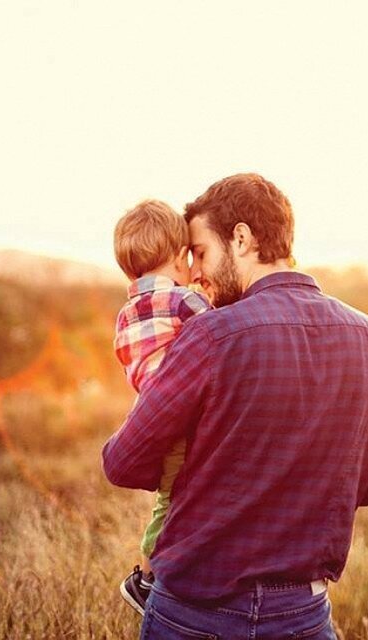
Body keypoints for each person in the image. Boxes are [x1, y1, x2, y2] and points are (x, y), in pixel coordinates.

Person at [103, 173, 368, 639]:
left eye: (201, 252)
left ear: (242, 238)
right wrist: (304, 483)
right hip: (303, 617)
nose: (197, 273)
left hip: (195, 614)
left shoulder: (210, 334)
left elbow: (122, 463)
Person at [111, 199, 211, 614]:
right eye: (191, 256)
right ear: (176, 258)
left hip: (152, 416)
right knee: (176, 501)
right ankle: (149, 582)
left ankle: (156, 576)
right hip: (182, 420)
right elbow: (221, 332)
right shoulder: (181, 302)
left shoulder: (126, 313)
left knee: (168, 497)